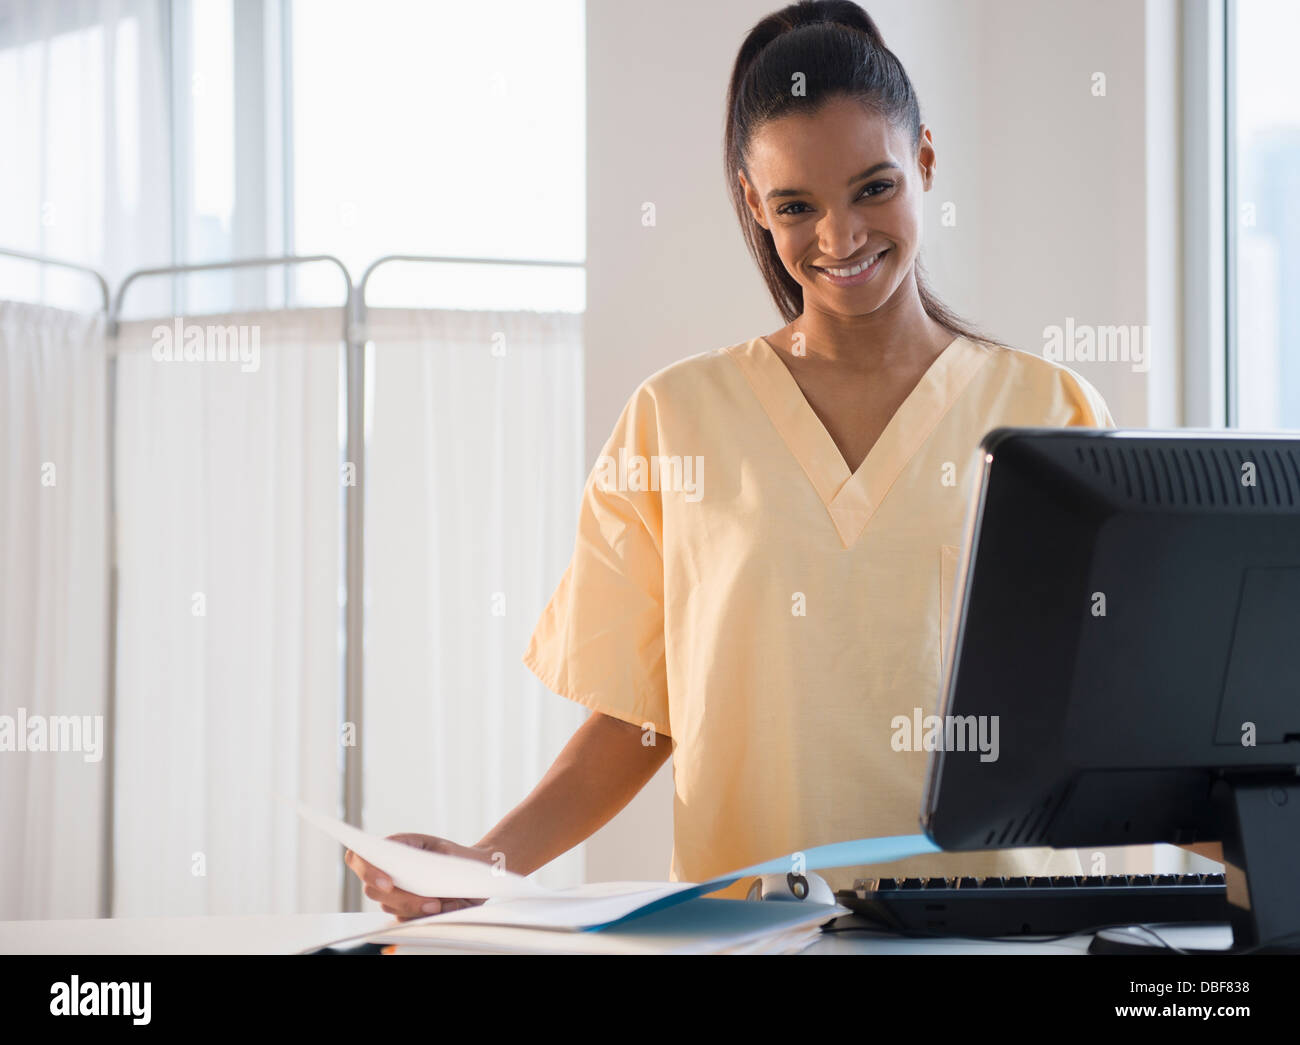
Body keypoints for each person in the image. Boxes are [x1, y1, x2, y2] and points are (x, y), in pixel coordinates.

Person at [347, 0, 1124, 919]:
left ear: (924, 162)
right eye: (797, 206)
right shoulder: (673, 420)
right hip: (755, 931)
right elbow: (643, 715)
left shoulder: (1050, 411)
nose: (840, 237)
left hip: (999, 932)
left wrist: (1250, 849)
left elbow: (1124, 702)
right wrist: (485, 865)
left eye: (873, 188)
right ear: (756, 205)